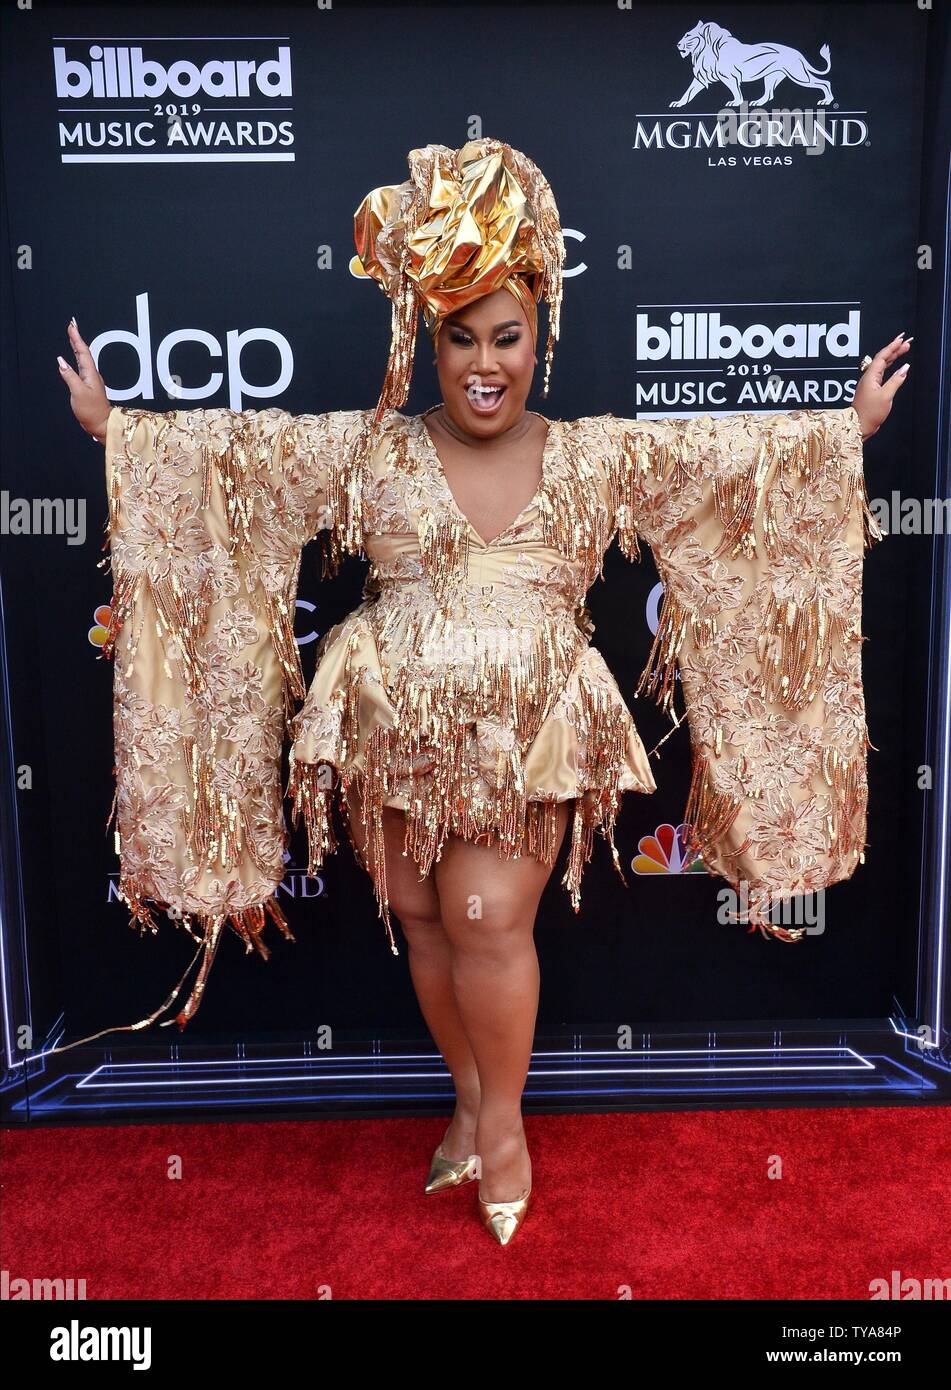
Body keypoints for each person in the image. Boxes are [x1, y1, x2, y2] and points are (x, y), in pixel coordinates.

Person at [59, 137, 908, 1245]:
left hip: (530, 731)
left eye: (505, 335)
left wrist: (840, 434)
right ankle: (466, 1100)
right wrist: (122, 434)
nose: (483, 363)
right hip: (390, 727)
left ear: (539, 331)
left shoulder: (598, 455)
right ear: (426, 342)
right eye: (459, 338)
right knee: (424, 917)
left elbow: (722, 465)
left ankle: (501, 1130)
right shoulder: (370, 451)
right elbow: (242, 463)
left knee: (491, 915)